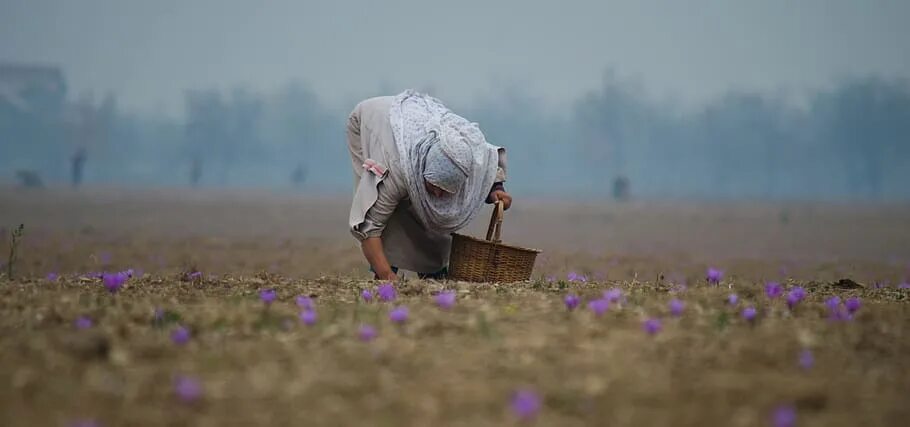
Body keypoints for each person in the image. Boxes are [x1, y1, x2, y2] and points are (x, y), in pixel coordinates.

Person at [346, 90, 512, 281]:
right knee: (392, 213)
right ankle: (385, 271)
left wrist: (496, 189)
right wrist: (386, 275)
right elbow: (369, 227)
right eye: (435, 186)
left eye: (446, 190)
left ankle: (433, 273)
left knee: (431, 212)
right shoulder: (395, 169)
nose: (439, 194)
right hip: (373, 123)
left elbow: (487, 162)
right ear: (424, 172)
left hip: (416, 113)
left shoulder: (463, 151)